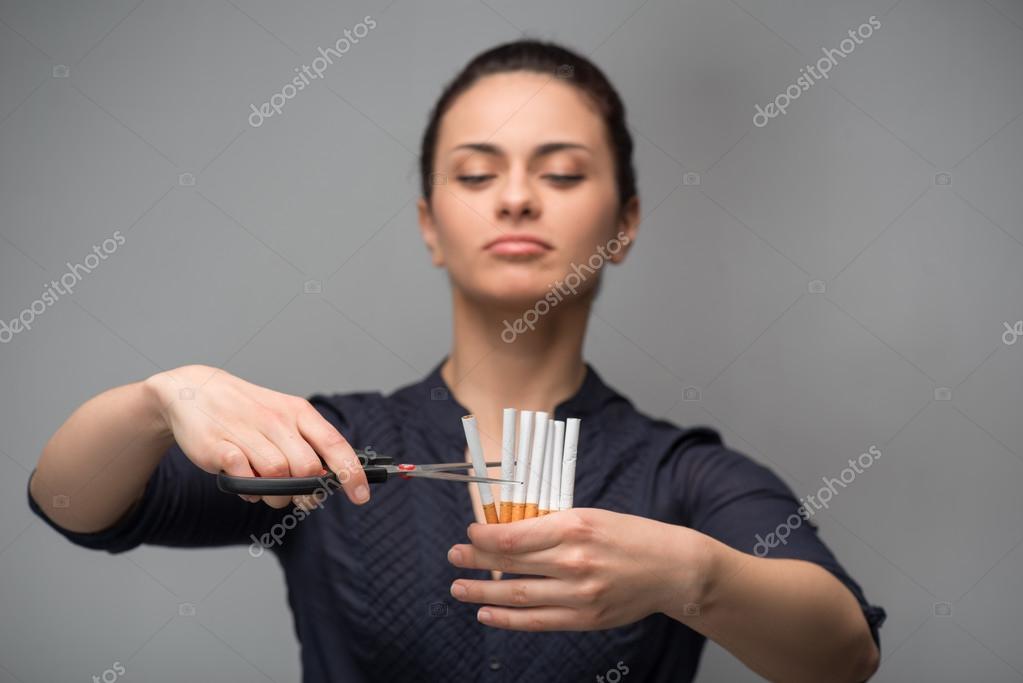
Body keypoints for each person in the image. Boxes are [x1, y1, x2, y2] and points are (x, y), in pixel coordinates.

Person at [27, 39, 885, 682]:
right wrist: (160, 397)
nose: (515, 196)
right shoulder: (328, 444)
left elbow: (844, 651)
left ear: (622, 224)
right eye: (475, 175)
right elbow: (74, 505)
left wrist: (693, 576)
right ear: (430, 224)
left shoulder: (681, 474)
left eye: (560, 173)